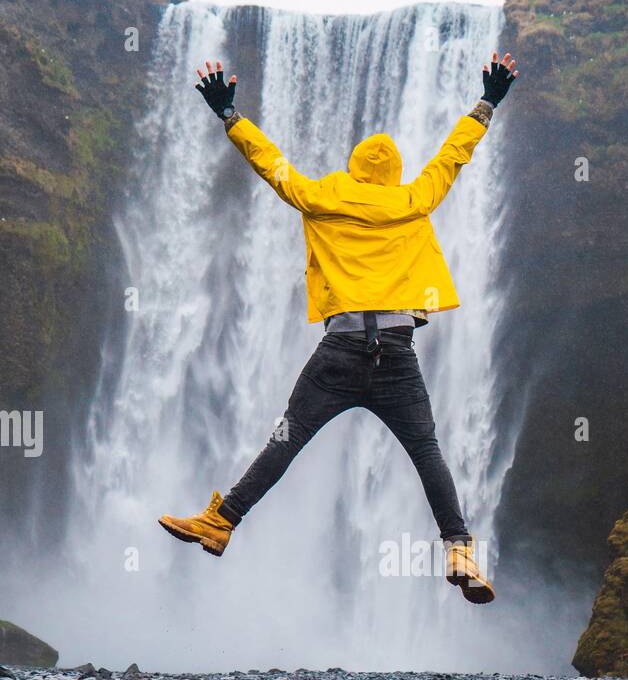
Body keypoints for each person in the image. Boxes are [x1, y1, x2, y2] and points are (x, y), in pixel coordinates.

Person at [158, 49, 519, 604]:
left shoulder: (323, 197)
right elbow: (453, 156)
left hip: (339, 350)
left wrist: (229, 116)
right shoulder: (413, 200)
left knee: (286, 436)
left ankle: (221, 521)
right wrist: (487, 102)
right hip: (397, 352)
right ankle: (460, 546)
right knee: (428, 451)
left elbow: (272, 164)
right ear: (394, 174)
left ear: (354, 168)